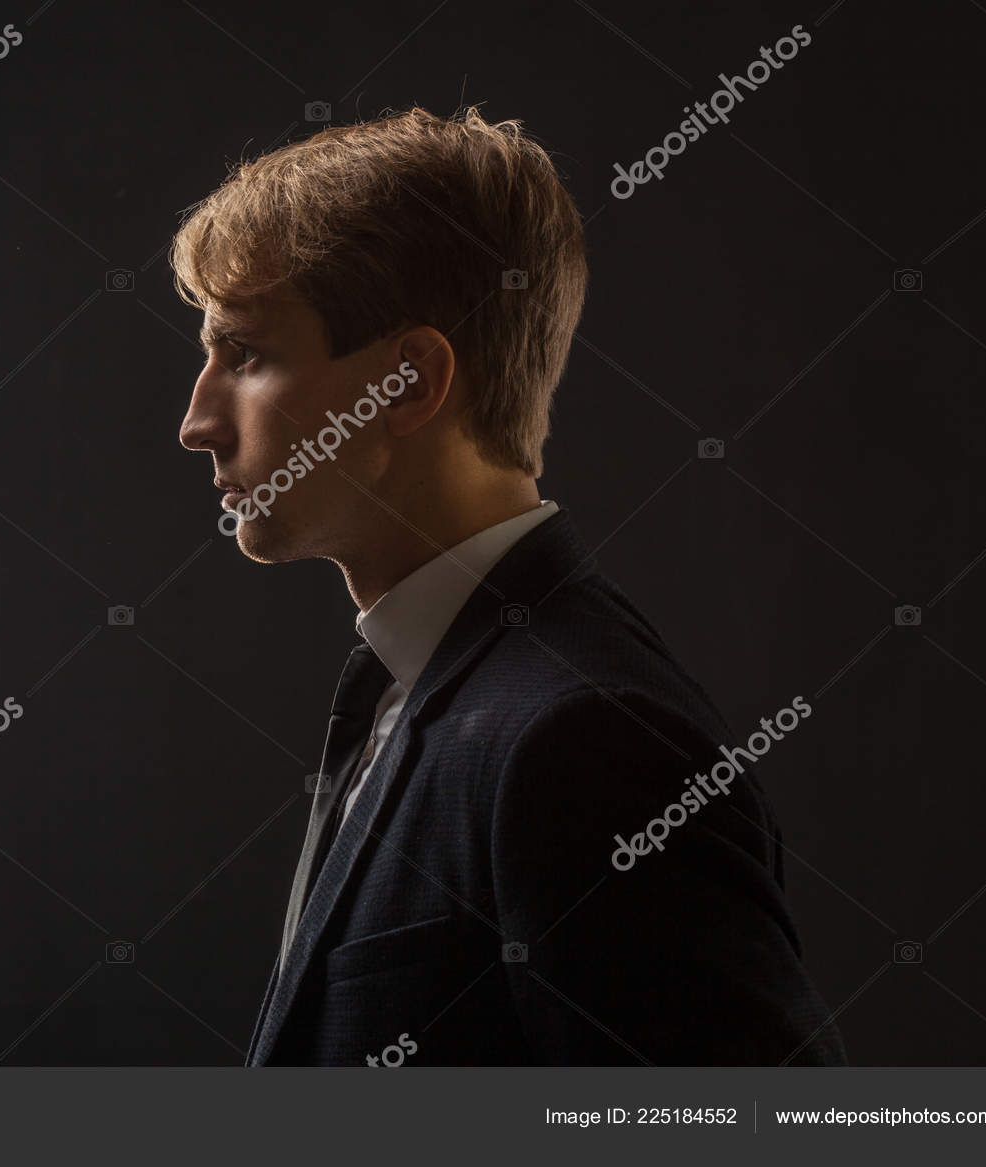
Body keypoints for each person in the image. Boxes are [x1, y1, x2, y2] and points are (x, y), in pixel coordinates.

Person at [172, 106, 845, 1066]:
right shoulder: (421, 682)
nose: (196, 420)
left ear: (408, 382)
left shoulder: (582, 737)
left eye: (245, 354)